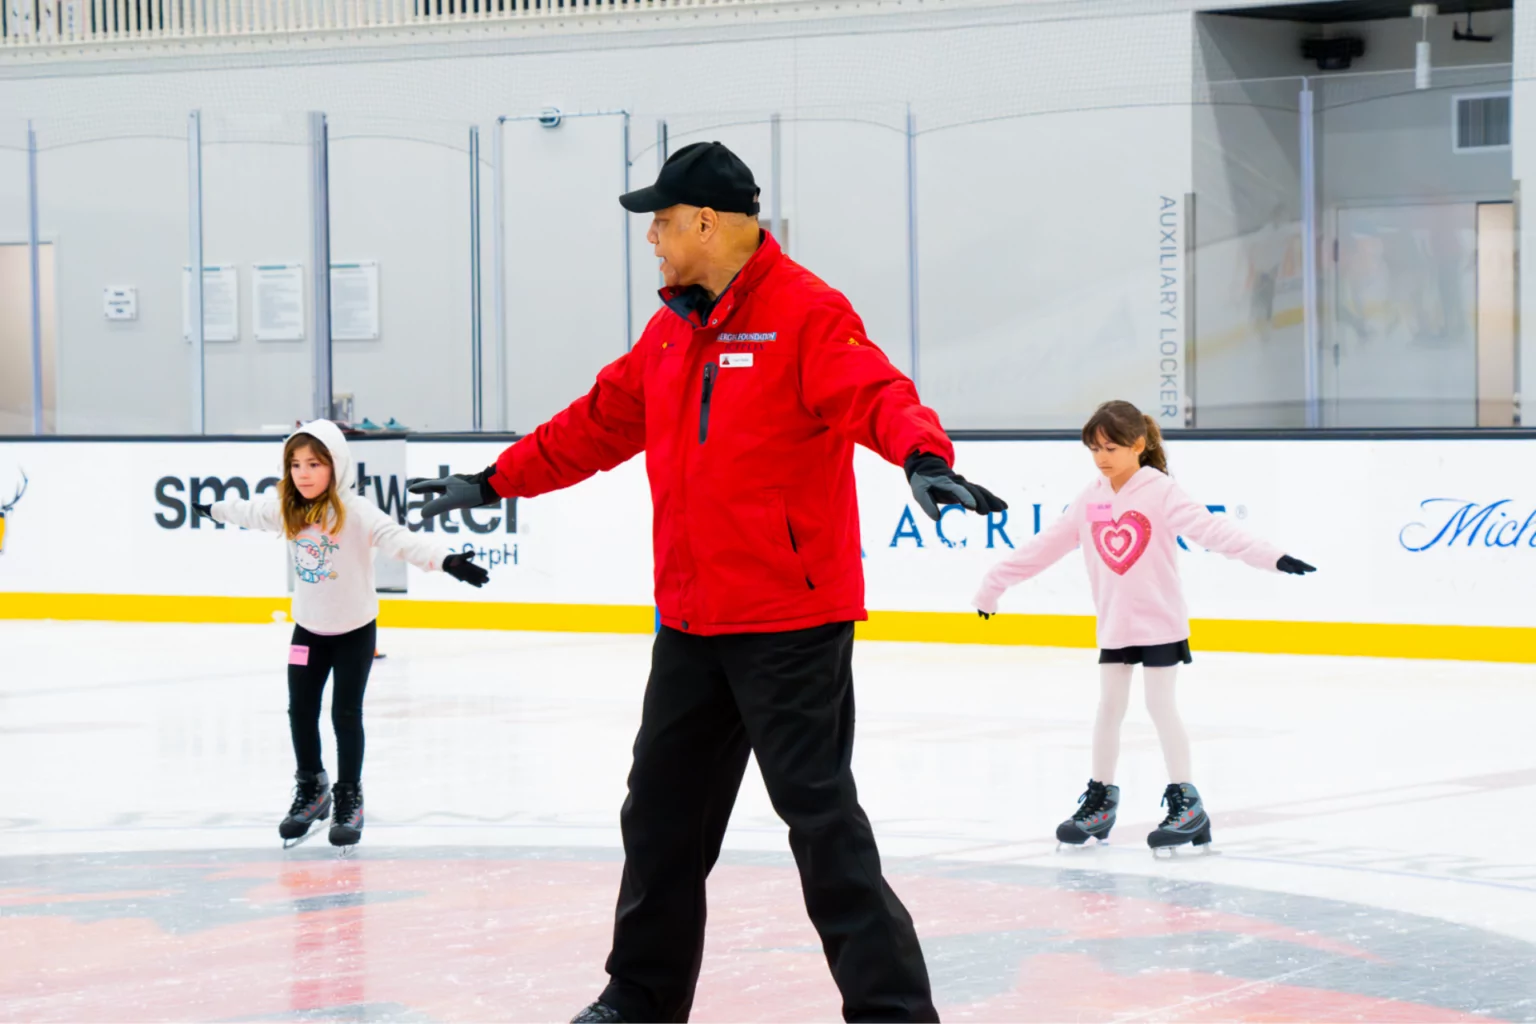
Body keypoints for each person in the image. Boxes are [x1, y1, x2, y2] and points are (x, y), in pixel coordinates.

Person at [412, 141, 1005, 1022]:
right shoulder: (673, 329)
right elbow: (597, 422)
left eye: (659, 219)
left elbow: (874, 390)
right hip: (693, 620)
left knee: (820, 825)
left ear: (705, 221)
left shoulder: (806, 312)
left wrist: (921, 455)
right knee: (660, 819)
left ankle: (894, 1014)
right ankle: (641, 1000)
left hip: (789, 621)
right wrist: (497, 480)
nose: (649, 236)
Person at [973, 400, 1314, 854]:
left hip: (1160, 622)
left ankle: (1187, 804)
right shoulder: (1090, 498)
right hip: (1115, 625)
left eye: (1111, 447)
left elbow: (1213, 532)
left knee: (1159, 707)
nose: (1102, 457)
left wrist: (1271, 557)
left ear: (1138, 444)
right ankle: (1100, 800)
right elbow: (1044, 546)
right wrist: (993, 585)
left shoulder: (1159, 491)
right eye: (1094, 448)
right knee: (1108, 708)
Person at [195, 420, 488, 848]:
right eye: (295, 464)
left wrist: (447, 561)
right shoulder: (287, 508)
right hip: (308, 631)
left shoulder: (356, 513)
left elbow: (400, 540)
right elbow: (248, 511)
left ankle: (349, 795)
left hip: (354, 631)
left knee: (345, 715)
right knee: (301, 710)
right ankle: (312, 790)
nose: (304, 473)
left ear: (336, 467)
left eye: (314, 463)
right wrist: (212, 509)